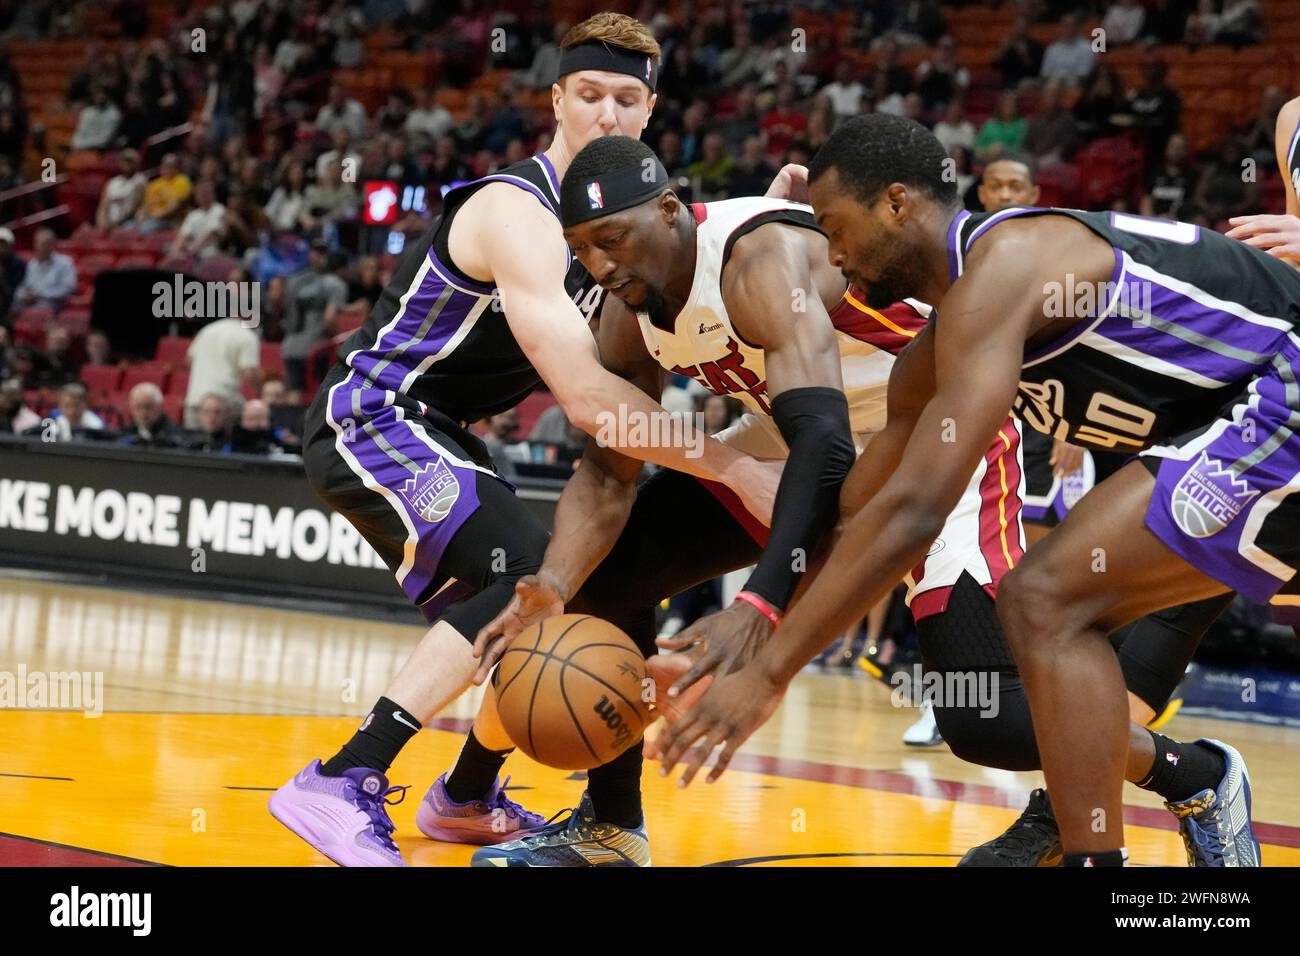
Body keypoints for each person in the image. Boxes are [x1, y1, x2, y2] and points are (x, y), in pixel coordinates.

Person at [657, 113, 1284, 870]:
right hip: (1239, 421)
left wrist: (770, 676)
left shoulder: (1007, 265)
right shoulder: (931, 350)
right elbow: (862, 506)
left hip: (1284, 385)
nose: (831, 253)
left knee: (1046, 598)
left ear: (896, 203)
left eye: (834, 226)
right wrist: (759, 625)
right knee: (1048, 609)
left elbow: (918, 510)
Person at [268, 13, 783, 869]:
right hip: (375, 415)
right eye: (589, 96)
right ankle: (342, 778)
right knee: (530, 579)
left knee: (570, 589)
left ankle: (467, 796)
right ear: (555, 100)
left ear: (650, 112)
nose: (607, 116)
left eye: (627, 99)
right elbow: (588, 399)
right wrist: (731, 463)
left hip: (446, 433)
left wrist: (770, 212)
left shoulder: (624, 224)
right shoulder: (516, 209)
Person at [1226, 92, 1300, 266]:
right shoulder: (1291, 115)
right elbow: (1293, 251)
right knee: (1249, 161)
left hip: (1268, 161)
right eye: (1267, 100)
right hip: (1254, 161)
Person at [184, 316, 260, 429]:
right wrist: (260, 391)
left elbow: (189, 360)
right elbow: (249, 373)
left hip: (195, 399)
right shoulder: (247, 335)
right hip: (224, 403)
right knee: (225, 444)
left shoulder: (207, 330)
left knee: (191, 443)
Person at [14, 228, 76, 311]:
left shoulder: (65, 262)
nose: (39, 246)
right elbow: (24, 285)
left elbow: (68, 288)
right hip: (31, 300)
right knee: (12, 305)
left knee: (40, 308)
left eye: (43, 244)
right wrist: (22, 294)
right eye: (37, 243)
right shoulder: (32, 264)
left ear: (52, 245)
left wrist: (42, 294)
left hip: (53, 301)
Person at [121, 381, 186, 448]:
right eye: (138, 407)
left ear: (160, 407)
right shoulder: (125, 432)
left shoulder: (173, 435)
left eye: (148, 407)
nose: (143, 412)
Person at [95, 148, 147, 229]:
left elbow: (141, 205)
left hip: (129, 221)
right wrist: (103, 222)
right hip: (110, 223)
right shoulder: (112, 183)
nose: (127, 164)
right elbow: (103, 206)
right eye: (124, 161)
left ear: (136, 163)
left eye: (130, 162)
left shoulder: (139, 180)